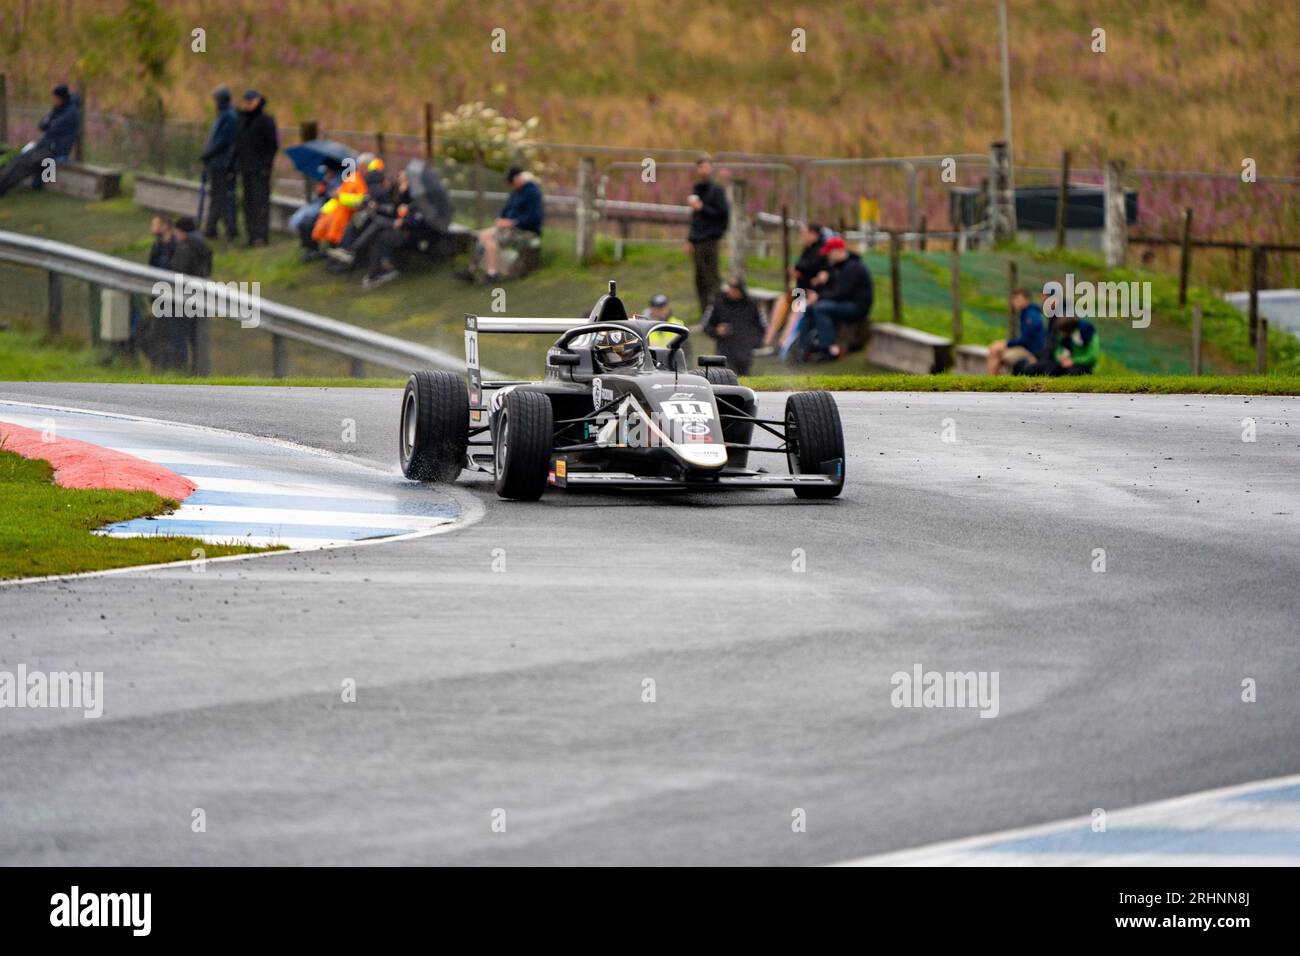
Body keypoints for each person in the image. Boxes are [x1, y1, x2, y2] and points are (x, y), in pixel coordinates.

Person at [362, 163, 453, 289]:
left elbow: (422, 218)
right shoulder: (405, 193)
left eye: (404, 179)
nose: (401, 181)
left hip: (422, 231)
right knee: (379, 230)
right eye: (400, 179)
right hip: (408, 227)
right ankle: (379, 267)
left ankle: (378, 273)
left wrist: (404, 222)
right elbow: (397, 210)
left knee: (383, 236)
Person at [794, 236, 873, 362]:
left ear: (837, 251)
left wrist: (819, 297)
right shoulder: (836, 267)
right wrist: (819, 285)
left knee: (821, 308)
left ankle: (829, 349)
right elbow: (832, 290)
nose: (827, 256)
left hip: (856, 306)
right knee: (809, 308)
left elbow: (842, 292)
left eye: (829, 253)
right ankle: (804, 348)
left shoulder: (853, 267)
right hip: (843, 302)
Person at [0, 85, 81, 198]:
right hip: (45, 145)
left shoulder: (70, 114)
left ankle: (2, 186)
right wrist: (50, 121)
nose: (52, 100)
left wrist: (50, 121)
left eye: (54, 98)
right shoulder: (57, 110)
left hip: (55, 149)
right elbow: (42, 126)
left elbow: (52, 127)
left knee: (25, 164)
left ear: (61, 98)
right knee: (19, 159)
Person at [762, 222, 830, 356]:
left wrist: (799, 271)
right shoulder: (808, 249)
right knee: (782, 301)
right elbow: (801, 266)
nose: (802, 236)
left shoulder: (821, 250)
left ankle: (783, 344)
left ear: (813, 234)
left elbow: (809, 268)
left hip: (812, 293)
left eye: (804, 233)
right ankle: (767, 340)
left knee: (797, 309)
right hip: (800, 289)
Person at [472, 165, 544, 282]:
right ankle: (476, 270)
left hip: (525, 230)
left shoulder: (533, 192)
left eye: (512, 182)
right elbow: (505, 212)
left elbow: (534, 217)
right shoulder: (515, 193)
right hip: (509, 229)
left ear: (518, 179)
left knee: (490, 238)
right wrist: (501, 220)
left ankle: (491, 274)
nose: (511, 185)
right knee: (483, 234)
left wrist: (512, 222)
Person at [159, 217, 212, 372]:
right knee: (197, 336)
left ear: (181, 231)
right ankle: (199, 368)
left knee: (179, 336)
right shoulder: (203, 246)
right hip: (199, 297)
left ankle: (179, 368)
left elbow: (177, 272)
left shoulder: (184, 248)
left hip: (182, 300)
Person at [230, 90, 278, 247]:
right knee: (248, 203)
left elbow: (272, 145)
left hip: (260, 170)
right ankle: (251, 235)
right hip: (246, 168)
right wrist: (233, 165)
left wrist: (266, 165)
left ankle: (260, 236)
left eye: (252, 100)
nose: (249, 103)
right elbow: (238, 144)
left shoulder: (265, 120)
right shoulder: (243, 120)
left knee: (260, 203)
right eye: (247, 101)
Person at [685, 155, 729, 316]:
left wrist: (702, 207)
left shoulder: (716, 190)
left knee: (712, 279)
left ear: (711, 168)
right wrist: (689, 239)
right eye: (699, 167)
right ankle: (705, 315)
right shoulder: (697, 188)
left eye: (704, 166)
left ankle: (719, 313)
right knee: (700, 279)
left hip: (710, 239)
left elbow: (722, 213)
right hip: (697, 239)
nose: (702, 170)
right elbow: (695, 218)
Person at [313, 153, 379, 249]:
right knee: (322, 222)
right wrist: (324, 210)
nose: (360, 168)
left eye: (362, 166)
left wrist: (340, 197)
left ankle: (337, 249)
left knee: (337, 227)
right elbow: (340, 194)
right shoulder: (352, 177)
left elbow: (361, 200)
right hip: (336, 212)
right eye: (359, 166)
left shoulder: (367, 180)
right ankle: (327, 248)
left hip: (350, 213)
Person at [703, 277, 766, 375]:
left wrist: (753, 343)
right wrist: (716, 331)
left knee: (745, 380)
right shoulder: (718, 303)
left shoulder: (752, 305)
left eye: (735, 289)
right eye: (730, 288)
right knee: (725, 378)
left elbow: (761, 327)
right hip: (724, 352)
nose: (732, 291)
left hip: (745, 352)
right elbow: (706, 326)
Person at [200, 85, 239, 240]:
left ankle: (222, 227)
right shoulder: (223, 115)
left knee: (221, 196)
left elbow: (224, 140)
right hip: (217, 162)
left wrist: (208, 154)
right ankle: (215, 226)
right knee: (218, 195)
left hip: (223, 163)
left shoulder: (229, 116)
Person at [290, 162, 343, 261]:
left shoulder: (339, 180)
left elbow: (333, 197)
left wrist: (328, 191)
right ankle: (310, 248)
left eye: (327, 170)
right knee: (305, 221)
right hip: (323, 208)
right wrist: (323, 187)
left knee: (309, 222)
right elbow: (322, 196)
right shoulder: (327, 180)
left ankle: (315, 250)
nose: (326, 172)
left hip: (332, 211)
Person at [986, 287, 1046, 375]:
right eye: (1014, 299)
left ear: (1027, 299)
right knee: (995, 351)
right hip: (1026, 348)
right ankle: (994, 380)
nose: (1015, 301)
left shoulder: (1031, 315)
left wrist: (1005, 343)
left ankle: (993, 380)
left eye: (1018, 299)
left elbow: (1026, 339)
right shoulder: (1025, 313)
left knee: (997, 352)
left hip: (1032, 352)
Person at [1019, 316, 1100, 376]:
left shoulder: (1088, 333)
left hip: (1080, 365)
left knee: (1072, 372)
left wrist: (1073, 361)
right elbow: (1058, 349)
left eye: (1062, 332)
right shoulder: (1064, 337)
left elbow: (1092, 356)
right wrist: (1060, 358)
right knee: (1041, 368)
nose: (1061, 334)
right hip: (1064, 363)